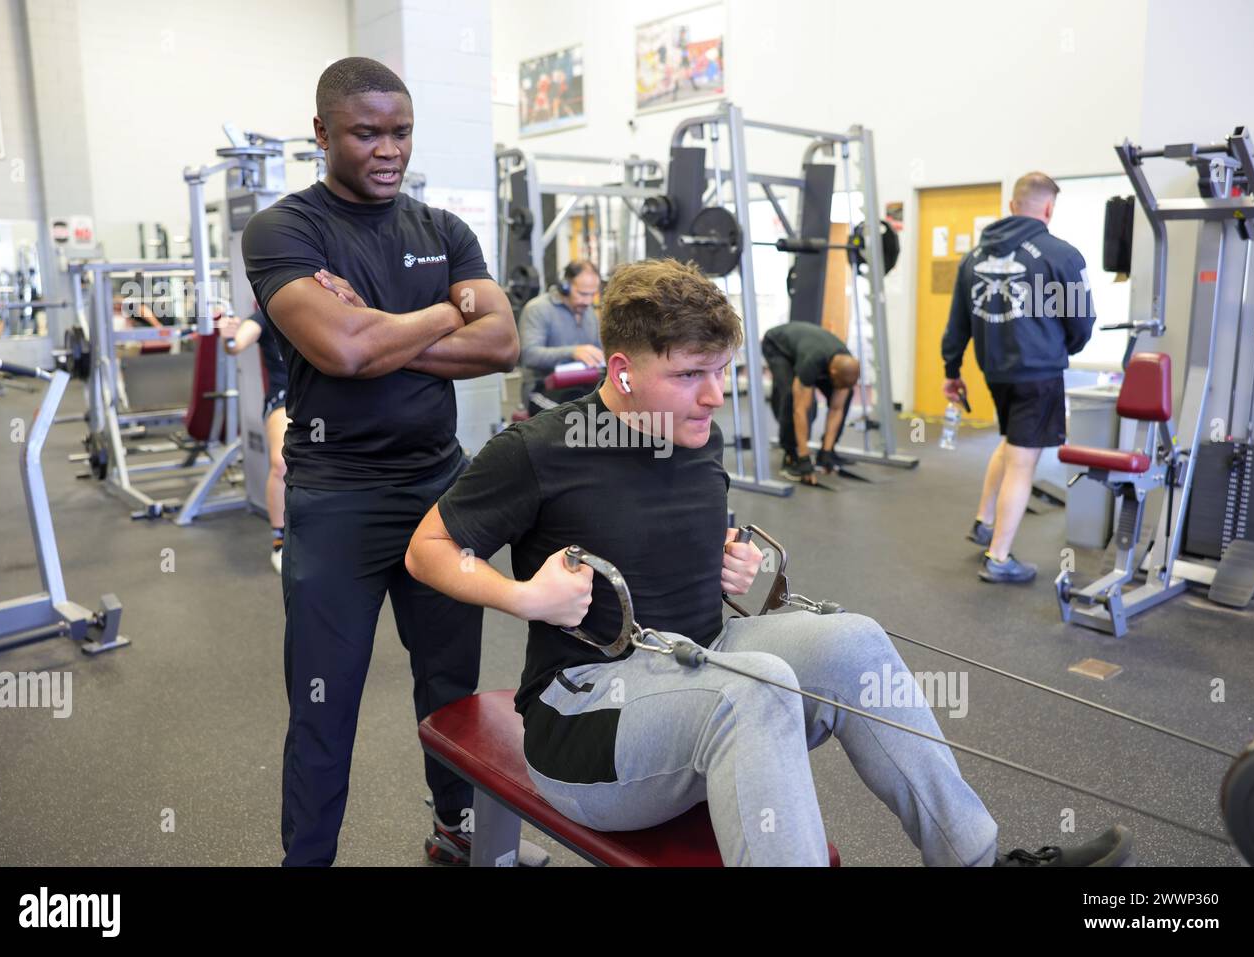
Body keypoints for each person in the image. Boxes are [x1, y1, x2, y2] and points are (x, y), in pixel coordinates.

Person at [406, 258, 1131, 867]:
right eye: (691, 374)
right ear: (621, 372)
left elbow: (678, 537)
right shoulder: (537, 450)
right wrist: (523, 596)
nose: (715, 395)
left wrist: (726, 560)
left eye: (722, 370)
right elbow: (427, 550)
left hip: (702, 658)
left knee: (854, 641)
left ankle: (973, 860)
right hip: (587, 716)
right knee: (756, 688)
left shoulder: (698, 436)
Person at [241, 56, 523, 867]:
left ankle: (457, 827)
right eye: (367, 133)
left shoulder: (444, 230)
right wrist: (441, 313)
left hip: (440, 489)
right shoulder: (284, 230)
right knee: (324, 700)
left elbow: (501, 341)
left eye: (401, 131)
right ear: (322, 131)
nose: (389, 149)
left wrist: (380, 329)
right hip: (336, 496)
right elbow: (341, 349)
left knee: (453, 686)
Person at [942, 172, 1096, 584]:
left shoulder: (973, 257)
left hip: (996, 370)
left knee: (1012, 443)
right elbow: (1081, 321)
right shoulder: (1063, 256)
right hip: (1038, 372)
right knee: (1024, 461)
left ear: (1013, 205)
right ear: (1048, 208)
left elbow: (957, 323)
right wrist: (1063, 348)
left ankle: (985, 521)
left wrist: (951, 371)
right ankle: (999, 557)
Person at [216, 311, 290, 574]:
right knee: (281, 462)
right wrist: (229, 338)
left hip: (326, 398)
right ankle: (280, 542)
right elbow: (235, 345)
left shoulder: (322, 308)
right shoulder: (266, 316)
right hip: (285, 399)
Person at [761, 320, 861, 484]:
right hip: (777, 346)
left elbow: (837, 408)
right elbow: (800, 410)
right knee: (792, 396)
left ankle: (827, 453)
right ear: (832, 372)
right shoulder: (812, 362)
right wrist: (804, 456)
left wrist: (826, 449)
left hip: (808, 349)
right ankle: (792, 455)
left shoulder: (846, 362)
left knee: (846, 395)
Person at [517, 259, 603, 406]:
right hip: (542, 388)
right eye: (582, 294)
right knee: (572, 414)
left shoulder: (589, 312)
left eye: (592, 295)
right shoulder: (537, 309)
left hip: (581, 386)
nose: (588, 301)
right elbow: (529, 355)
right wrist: (572, 352)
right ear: (565, 286)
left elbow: (598, 352)